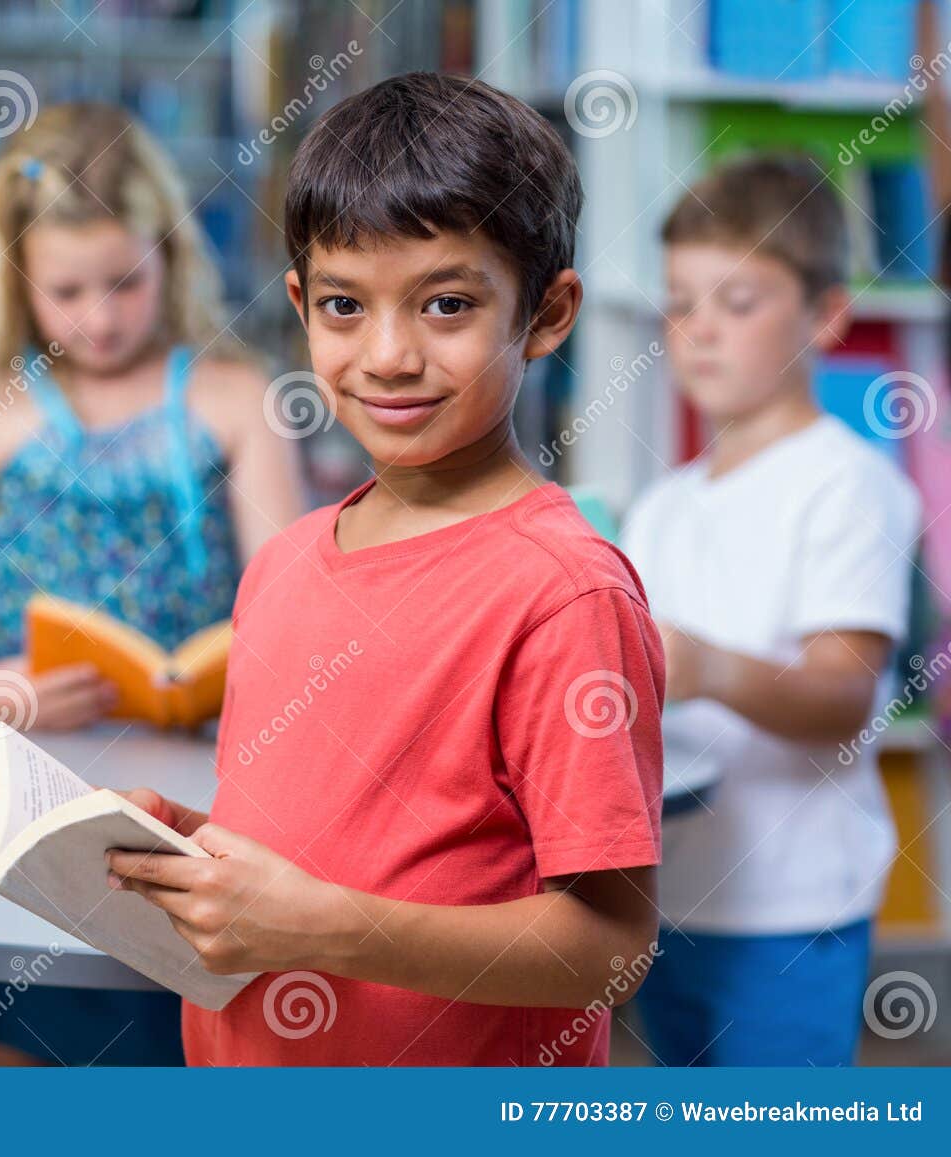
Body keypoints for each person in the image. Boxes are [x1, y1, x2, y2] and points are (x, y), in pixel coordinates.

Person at [107, 72, 665, 1066]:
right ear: (299, 306)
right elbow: (340, 842)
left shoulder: (562, 593)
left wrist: (320, 922)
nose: (390, 354)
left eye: (446, 303)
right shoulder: (278, 565)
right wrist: (216, 864)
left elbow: (611, 949)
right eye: (343, 306)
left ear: (546, 312)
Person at [0, 102, 304, 1064]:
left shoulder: (234, 396)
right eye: (67, 290)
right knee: (20, 1037)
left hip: (199, 774)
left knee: (182, 1021)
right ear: (15, 278)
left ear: (171, 256)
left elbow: (291, 600)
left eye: (126, 282)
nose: (102, 316)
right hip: (31, 771)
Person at [622, 153, 921, 1066]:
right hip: (669, 898)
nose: (700, 329)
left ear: (826, 315)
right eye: (681, 302)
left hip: (793, 912)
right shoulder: (662, 503)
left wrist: (704, 666)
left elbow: (839, 698)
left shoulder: (850, 485)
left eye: (737, 302)